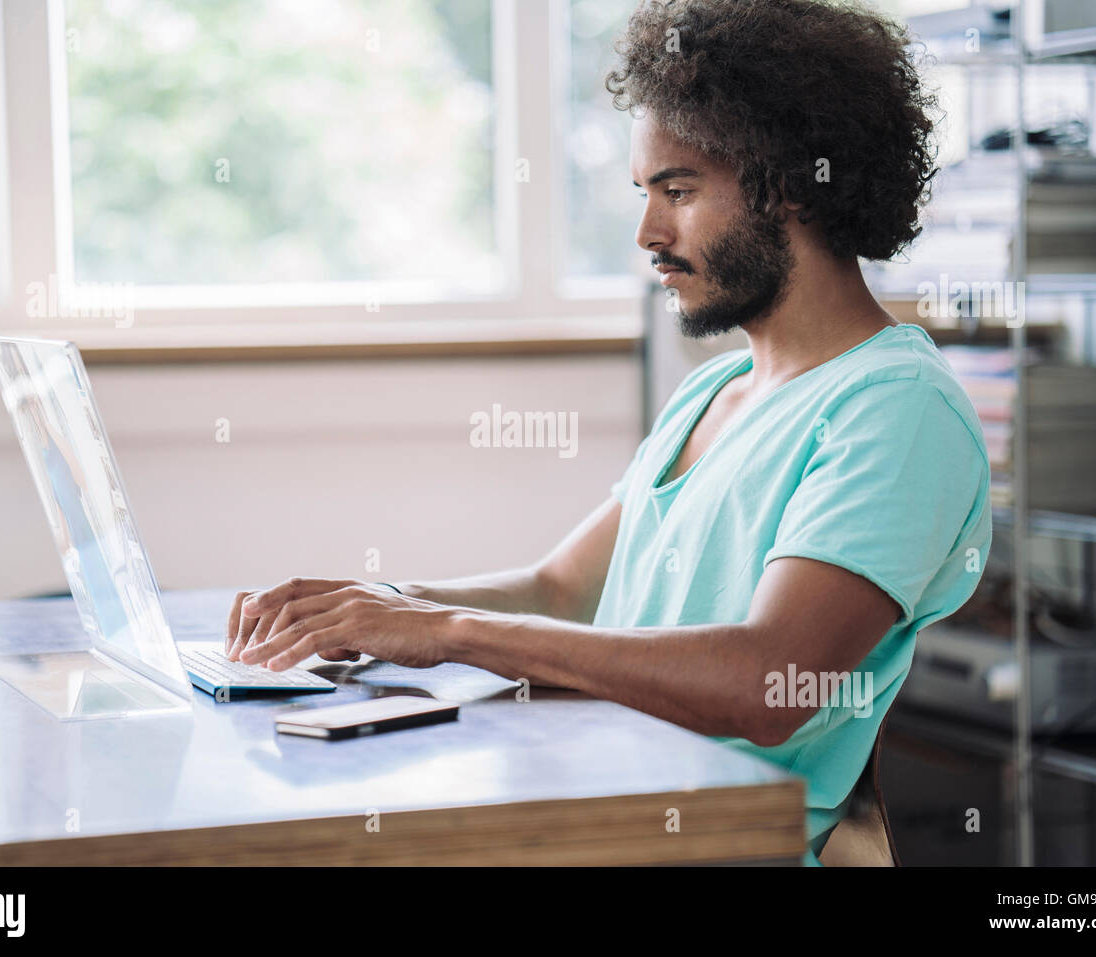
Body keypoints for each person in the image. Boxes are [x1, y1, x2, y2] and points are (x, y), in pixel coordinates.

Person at [226, 0, 992, 865]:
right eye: (644, 194)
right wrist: (382, 609)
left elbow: (768, 682)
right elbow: (562, 589)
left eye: (678, 190)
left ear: (788, 186)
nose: (647, 234)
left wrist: (451, 634)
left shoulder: (896, 410)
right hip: (598, 807)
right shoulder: (716, 391)